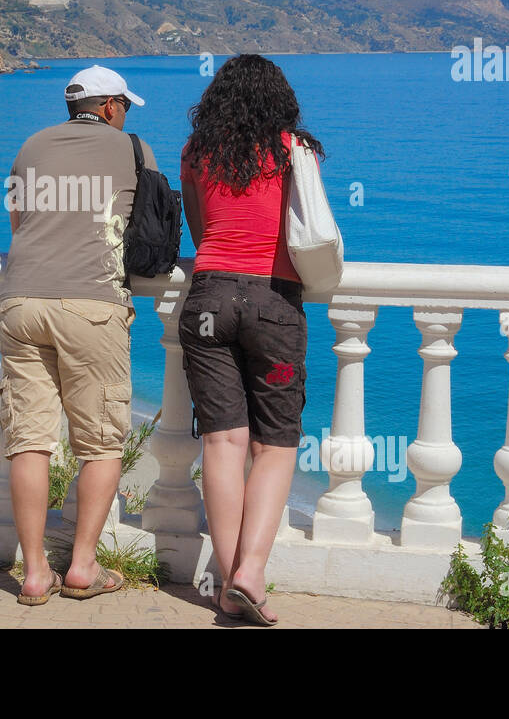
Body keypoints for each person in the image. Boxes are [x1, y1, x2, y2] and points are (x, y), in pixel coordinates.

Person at [0, 64, 155, 605]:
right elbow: (149, 225)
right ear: (110, 106)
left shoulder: (31, 145)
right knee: (102, 442)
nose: (126, 114)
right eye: (125, 105)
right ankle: (83, 566)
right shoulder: (133, 149)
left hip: (21, 300)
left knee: (31, 439)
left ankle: (36, 573)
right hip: (92, 303)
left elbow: (18, 224)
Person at [177, 54, 325, 626]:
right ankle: (251, 573)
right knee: (276, 443)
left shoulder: (196, 152)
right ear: (279, 99)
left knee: (224, 443)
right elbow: (308, 225)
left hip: (209, 297)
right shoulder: (294, 150)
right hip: (274, 301)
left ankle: (222, 576)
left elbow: (199, 229)